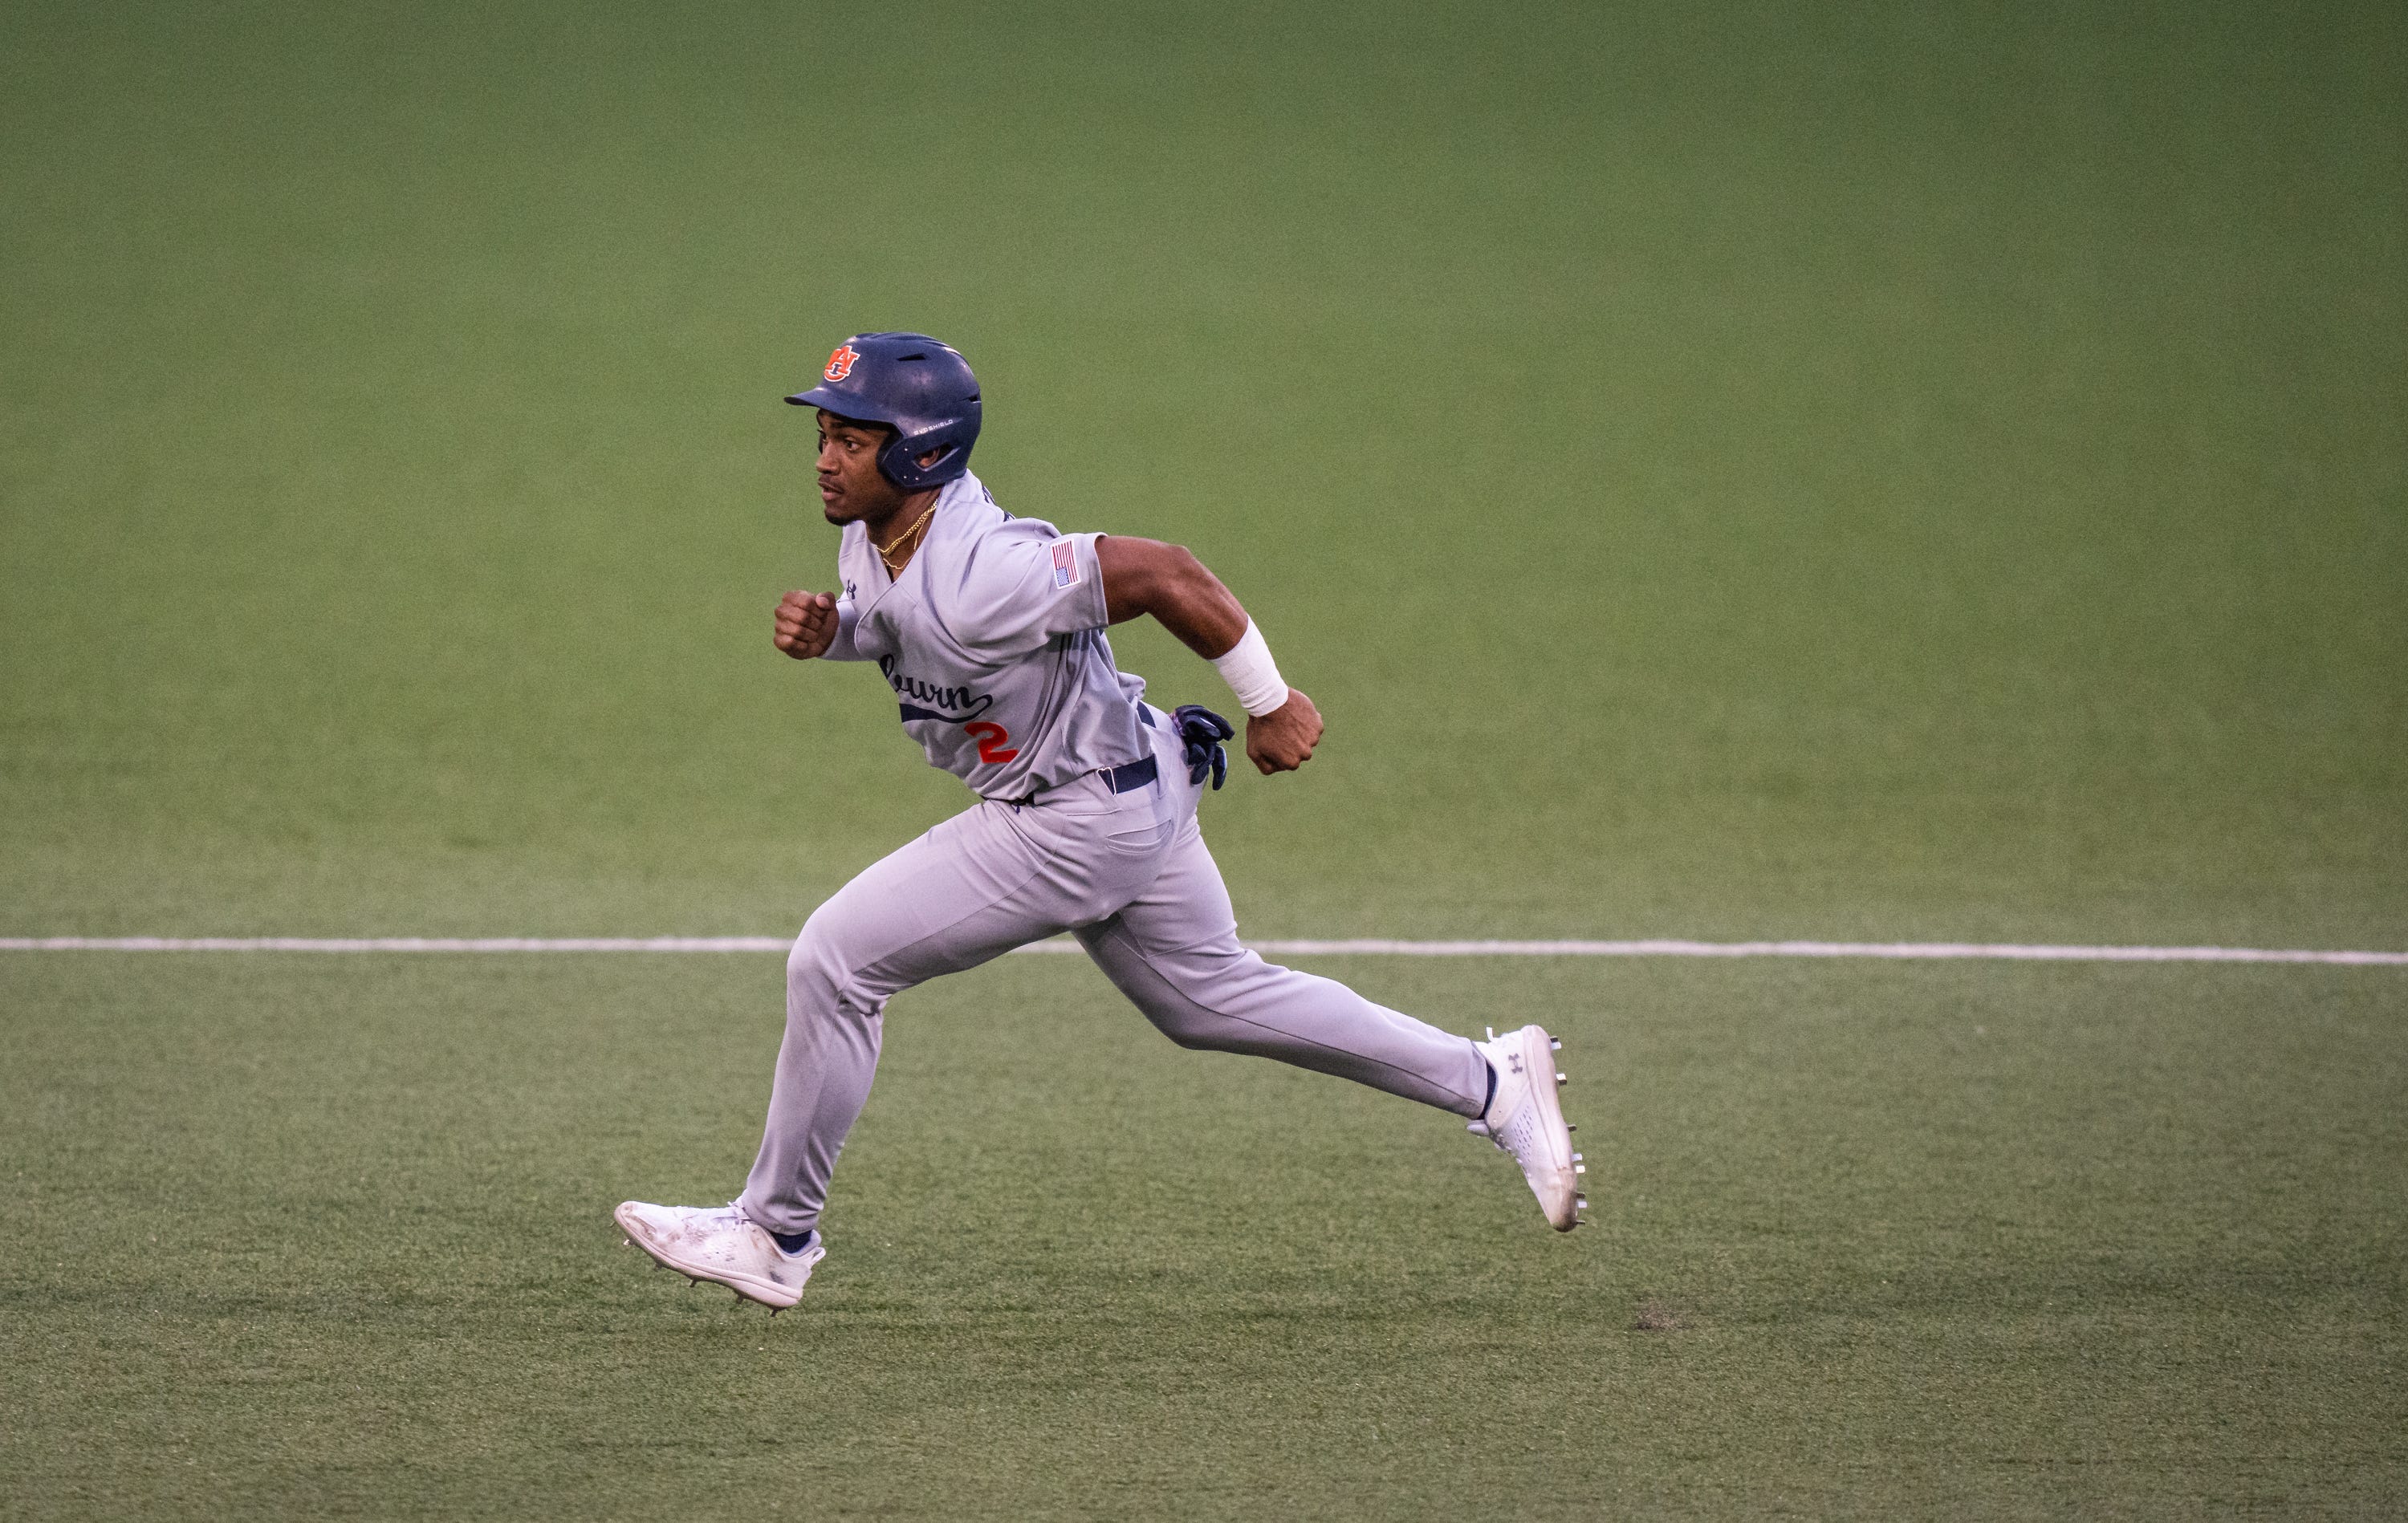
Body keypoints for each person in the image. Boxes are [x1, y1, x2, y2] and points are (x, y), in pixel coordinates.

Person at [616, 334, 1583, 1311]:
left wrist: (1271, 699)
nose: (825, 458)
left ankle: (775, 1233)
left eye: (851, 441)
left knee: (836, 959)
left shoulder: (986, 568)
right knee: (1206, 1001)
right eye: (823, 434)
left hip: (1072, 820)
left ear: (920, 453)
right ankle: (1493, 1080)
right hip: (1136, 784)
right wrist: (840, 634)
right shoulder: (876, 532)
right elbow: (905, 625)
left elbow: (1167, 572)